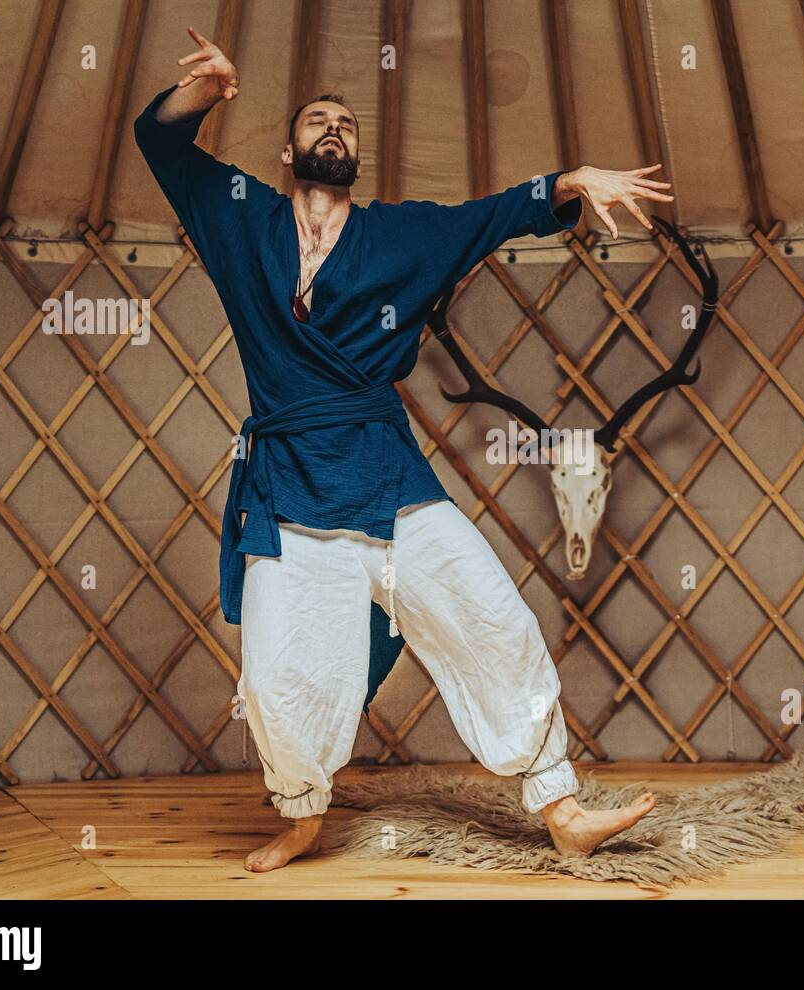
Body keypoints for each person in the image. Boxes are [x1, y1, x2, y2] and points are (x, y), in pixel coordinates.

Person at [135, 26, 672, 872]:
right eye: (319, 122)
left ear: (359, 155)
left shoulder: (404, 236)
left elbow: (498, 212)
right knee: (278, 678)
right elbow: (159, 142)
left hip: (389, 481)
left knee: (494, 618)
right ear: (288, 150)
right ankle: (304, 813)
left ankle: (561, 806)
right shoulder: (243, 219)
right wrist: (201, 93)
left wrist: (572, 180)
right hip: (288, 488)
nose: (335, 131)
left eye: (347, 124)